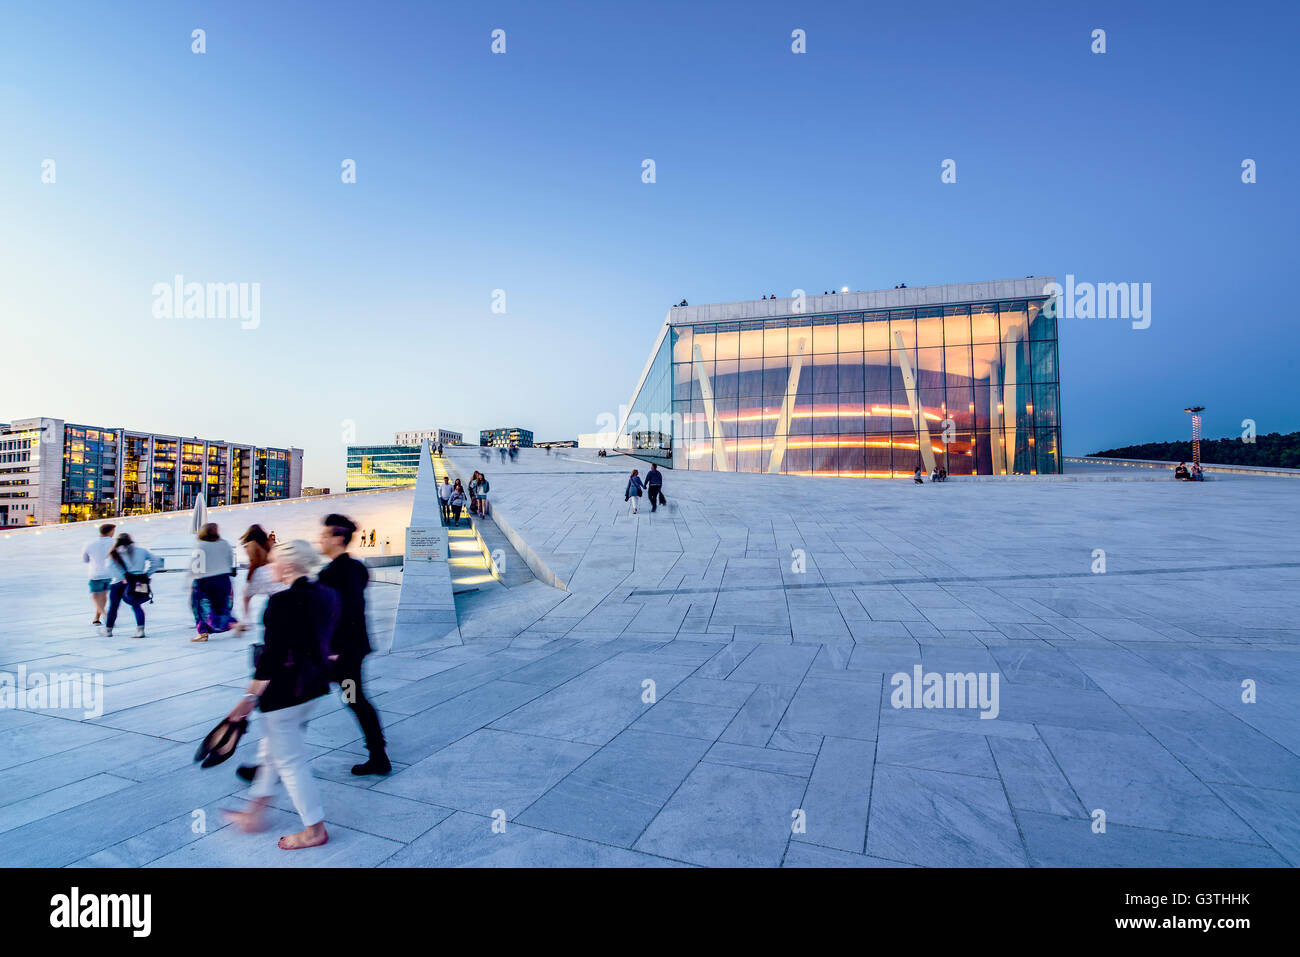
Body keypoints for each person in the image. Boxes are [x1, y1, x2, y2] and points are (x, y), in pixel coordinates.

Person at [222, 539, 337, 849]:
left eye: (273, 561)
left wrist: (246, 700)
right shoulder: (325, 595)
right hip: (313, 688)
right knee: (272, 753)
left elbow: (271, 659)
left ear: (287, 565)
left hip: (283, 694)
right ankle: (254, 813)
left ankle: (314, 830)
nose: (270, 566)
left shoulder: (282, 602)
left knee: (289, 761)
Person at [317, 514, 390, 775]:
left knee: (354, 698)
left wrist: (334, 650)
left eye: (325, 535)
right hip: (351, 649)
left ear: (338, 538)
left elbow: (343, 613)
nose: (320, 540)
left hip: (340, 654)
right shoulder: (357, 568)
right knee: (353, 698)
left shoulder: (332, 574)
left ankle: (379, 755)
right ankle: (378, 753)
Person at [233, 525, 287, 636]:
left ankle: (247, 621)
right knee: (274, 595)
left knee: (246, 597)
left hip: (259, 572)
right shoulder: (267, 543)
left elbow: (254, 561)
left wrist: (249, 576)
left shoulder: (251, 544)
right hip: (270, 570)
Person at [191, 522, 238, 642]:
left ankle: (202, 633)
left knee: (199, 607)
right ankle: (233, 623)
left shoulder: (201, 546)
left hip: (205, 581)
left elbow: (196, 566)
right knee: (222, 606)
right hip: (223, 579)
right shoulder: (225, 544)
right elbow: (229, 561)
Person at [106, 533, 157, 638]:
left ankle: (108, 630)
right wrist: (147, 574)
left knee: (114, 606)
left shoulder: (115, 552)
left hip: (119, 582)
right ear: (131, 540)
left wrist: (122, 577)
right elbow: (156, 561)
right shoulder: (142, 551)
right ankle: (140, 630)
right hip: (139, 580)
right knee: (136, 605)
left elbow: (110, 567)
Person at [82, 523, 116, 628]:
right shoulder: (115, 543)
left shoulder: (90, 543)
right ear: (110, 531)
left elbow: (85, 559)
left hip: (95, 573)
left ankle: (106, 616)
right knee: (103, 596)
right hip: (110, 573)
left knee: (96, 597)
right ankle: (96, 618)